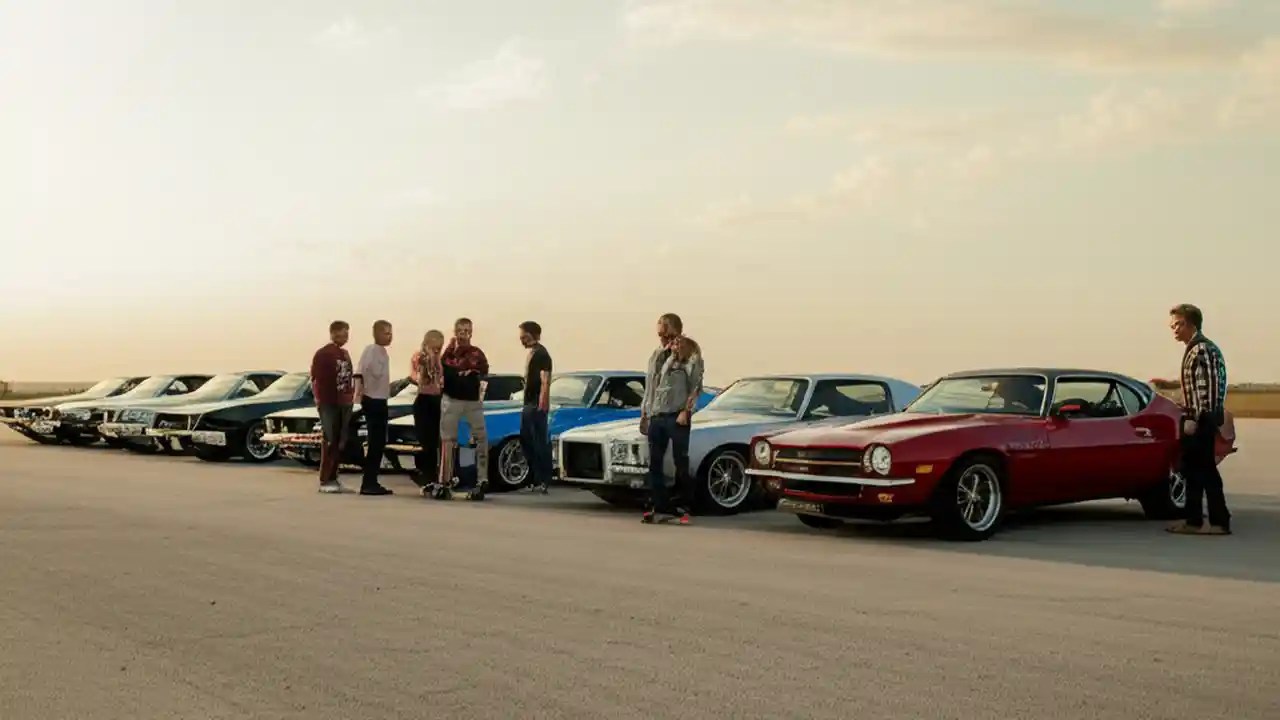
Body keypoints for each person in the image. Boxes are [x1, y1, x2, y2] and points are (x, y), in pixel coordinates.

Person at [1164, 303, 1232, 536]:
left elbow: (1206, 389)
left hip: (1203, 420)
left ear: (1191, 323)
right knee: (1195, 471)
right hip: (1201, 418)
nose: (1174, 329)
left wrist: (1198, 418)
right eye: (1172, 325)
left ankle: (1219, 522)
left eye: (1178, 324)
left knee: (1205, 471)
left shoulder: (1201, 349)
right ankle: (1194, 520)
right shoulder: (1196, 349)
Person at [639, 314, 704, 524]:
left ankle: (683, 506)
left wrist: (687, 411)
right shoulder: (657, 355)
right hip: (657, 415)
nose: (661, 338)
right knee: (654, 464)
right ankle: (657, 505)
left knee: (680, 463)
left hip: (677, 416)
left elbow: (696, 385)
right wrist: (644, 413)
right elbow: (651, 385)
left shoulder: (689, 352)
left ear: (674, 330)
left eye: (664, 333)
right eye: (658, 334)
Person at [439, 317, 490, 492]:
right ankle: (445, 478)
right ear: (455, 331)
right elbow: (442, 369)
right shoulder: (449, 353)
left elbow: (484, 373)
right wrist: (451, 346)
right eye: (460, 330)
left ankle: (482, 478)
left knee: (481, 438)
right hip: (452, 400)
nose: (464, 334)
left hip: (472, 401)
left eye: (467, 330)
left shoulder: (477, 353)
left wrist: (474, 378)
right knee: (448, 439)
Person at [310, 321, 355, 494]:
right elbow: (317, 379)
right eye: (343, 333)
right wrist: (321, 400)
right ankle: (325, 479)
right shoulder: (324, 354)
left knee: (340, 441)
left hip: (344, 401)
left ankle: (334, 477)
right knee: (330, 439)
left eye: (347, 333)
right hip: (329, 402)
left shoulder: (344, 354)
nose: (345, 337)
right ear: (334, 333)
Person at [353, 320, 395, 496]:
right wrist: (359, 397)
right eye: (386, 333)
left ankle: (372, 481)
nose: (389, 336)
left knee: (379, 444)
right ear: (376, 334)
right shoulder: (370, 350)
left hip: (381, 400)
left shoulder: (384, 353)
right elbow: (359, 373)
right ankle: (368, 483)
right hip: (372, 400)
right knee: (375, 443)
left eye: (390, 333)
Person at [518, 321, 553, 494]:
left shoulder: (542, 354)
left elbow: (545, 379)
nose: (521, 340)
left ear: (533, 335)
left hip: (535, 405)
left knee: (539, 442)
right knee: (527, 440)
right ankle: (535, 477)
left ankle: (543, 479)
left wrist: (543, 403)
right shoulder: (532, 353)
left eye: (524, 337)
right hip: (528, 402)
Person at [409, 330, 445, 489]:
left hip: (437, 399)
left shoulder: (440, 360)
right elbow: (416, 375)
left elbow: (441, 379)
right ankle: (426, 473)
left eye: (440, 347)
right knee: (425, 439)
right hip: (424, 399)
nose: (437, 350)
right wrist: (428, 358)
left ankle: (434, 475)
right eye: (435, 346)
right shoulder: (420, 357)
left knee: (436, 440)